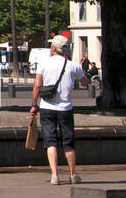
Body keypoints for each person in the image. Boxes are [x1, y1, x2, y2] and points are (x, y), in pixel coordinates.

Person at [31, 34, 87, 185]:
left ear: (53, 48)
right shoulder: (72, 65)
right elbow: (84, 81)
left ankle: (54, 175)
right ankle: (73, 174)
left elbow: (37, 85)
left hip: (47, 107)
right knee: (68, 142)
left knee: (51, 141)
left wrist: (34, 105)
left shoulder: (44, 63)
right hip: (66, 108)